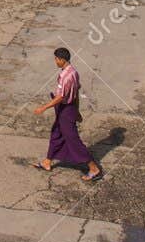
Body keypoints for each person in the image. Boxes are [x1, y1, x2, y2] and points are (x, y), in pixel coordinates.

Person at [34, 47, 101, 181]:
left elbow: (61, 97)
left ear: (62, 60)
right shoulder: (73, 72)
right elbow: (75, 94)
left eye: (56, 59)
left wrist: (44, 108)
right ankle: (47, 161)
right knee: (56, 133)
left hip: (65, 110)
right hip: (67, 109)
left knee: (73, 140)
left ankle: (93, 168)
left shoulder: (67, 77)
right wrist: (77, 111)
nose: (55, 61)